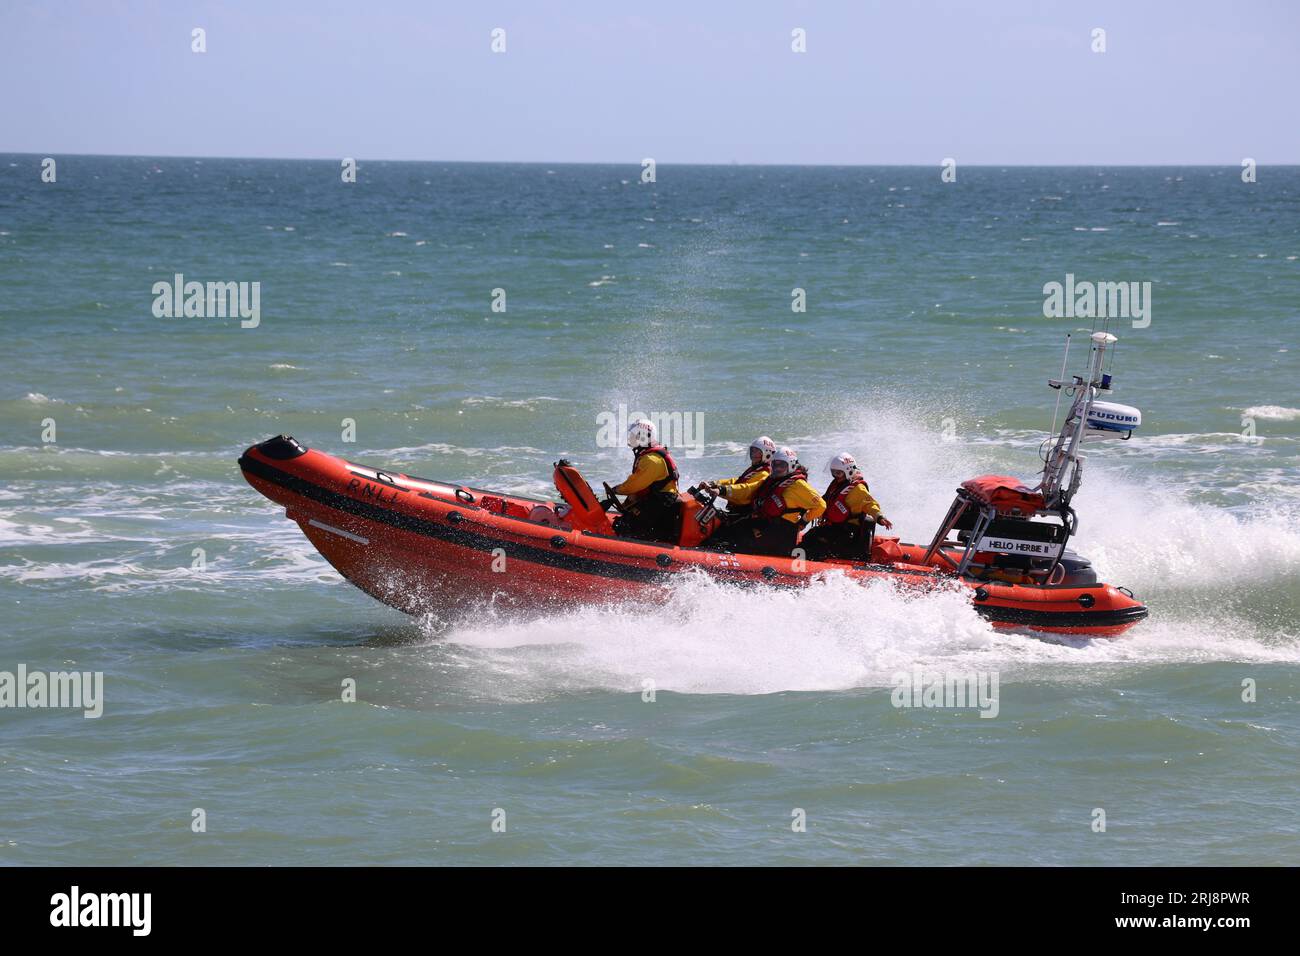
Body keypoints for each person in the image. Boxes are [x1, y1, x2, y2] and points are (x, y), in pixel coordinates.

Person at [707, 447, 825, 557]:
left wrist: (803, 522)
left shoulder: (799, 485)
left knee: (740, 539)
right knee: (730, 528)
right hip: (767, 524)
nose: (777, 469)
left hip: (781, 533)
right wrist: (720, 488)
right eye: (775, 465)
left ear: (791, 466)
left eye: (782, 466)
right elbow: (749, 488)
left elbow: (821, 505)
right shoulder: (773, 479)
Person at [801, 453, 893, 561]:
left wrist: (880, 517)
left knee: (816, 540)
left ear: (848, 471)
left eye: (838, 473)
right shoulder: (837, 485)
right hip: (835, 528)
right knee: (811, 535)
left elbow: (870, 504)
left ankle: (808, 564)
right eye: (833, 472)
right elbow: (824, 501)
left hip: (848, 532)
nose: (835, 476)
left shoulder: (858, 489)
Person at [607, 419, 681, 543]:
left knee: (628, 528)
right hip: (655, 499)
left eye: (633, 435)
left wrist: (617, 490)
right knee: (627, 520)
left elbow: (635, 484)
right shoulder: (647, 455)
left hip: (662, 503)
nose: (630, 438)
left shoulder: (652, 460)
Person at [703, 436, 775, 519]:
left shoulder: (764, 473)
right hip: (737, 511)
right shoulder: (756, 469)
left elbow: (746, 490)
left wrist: (721, 490)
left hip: (745, 516)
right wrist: (714, 484)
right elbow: (737, 481)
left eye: (757, 452)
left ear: (767, 454)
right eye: (752, 451)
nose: (752, 455)